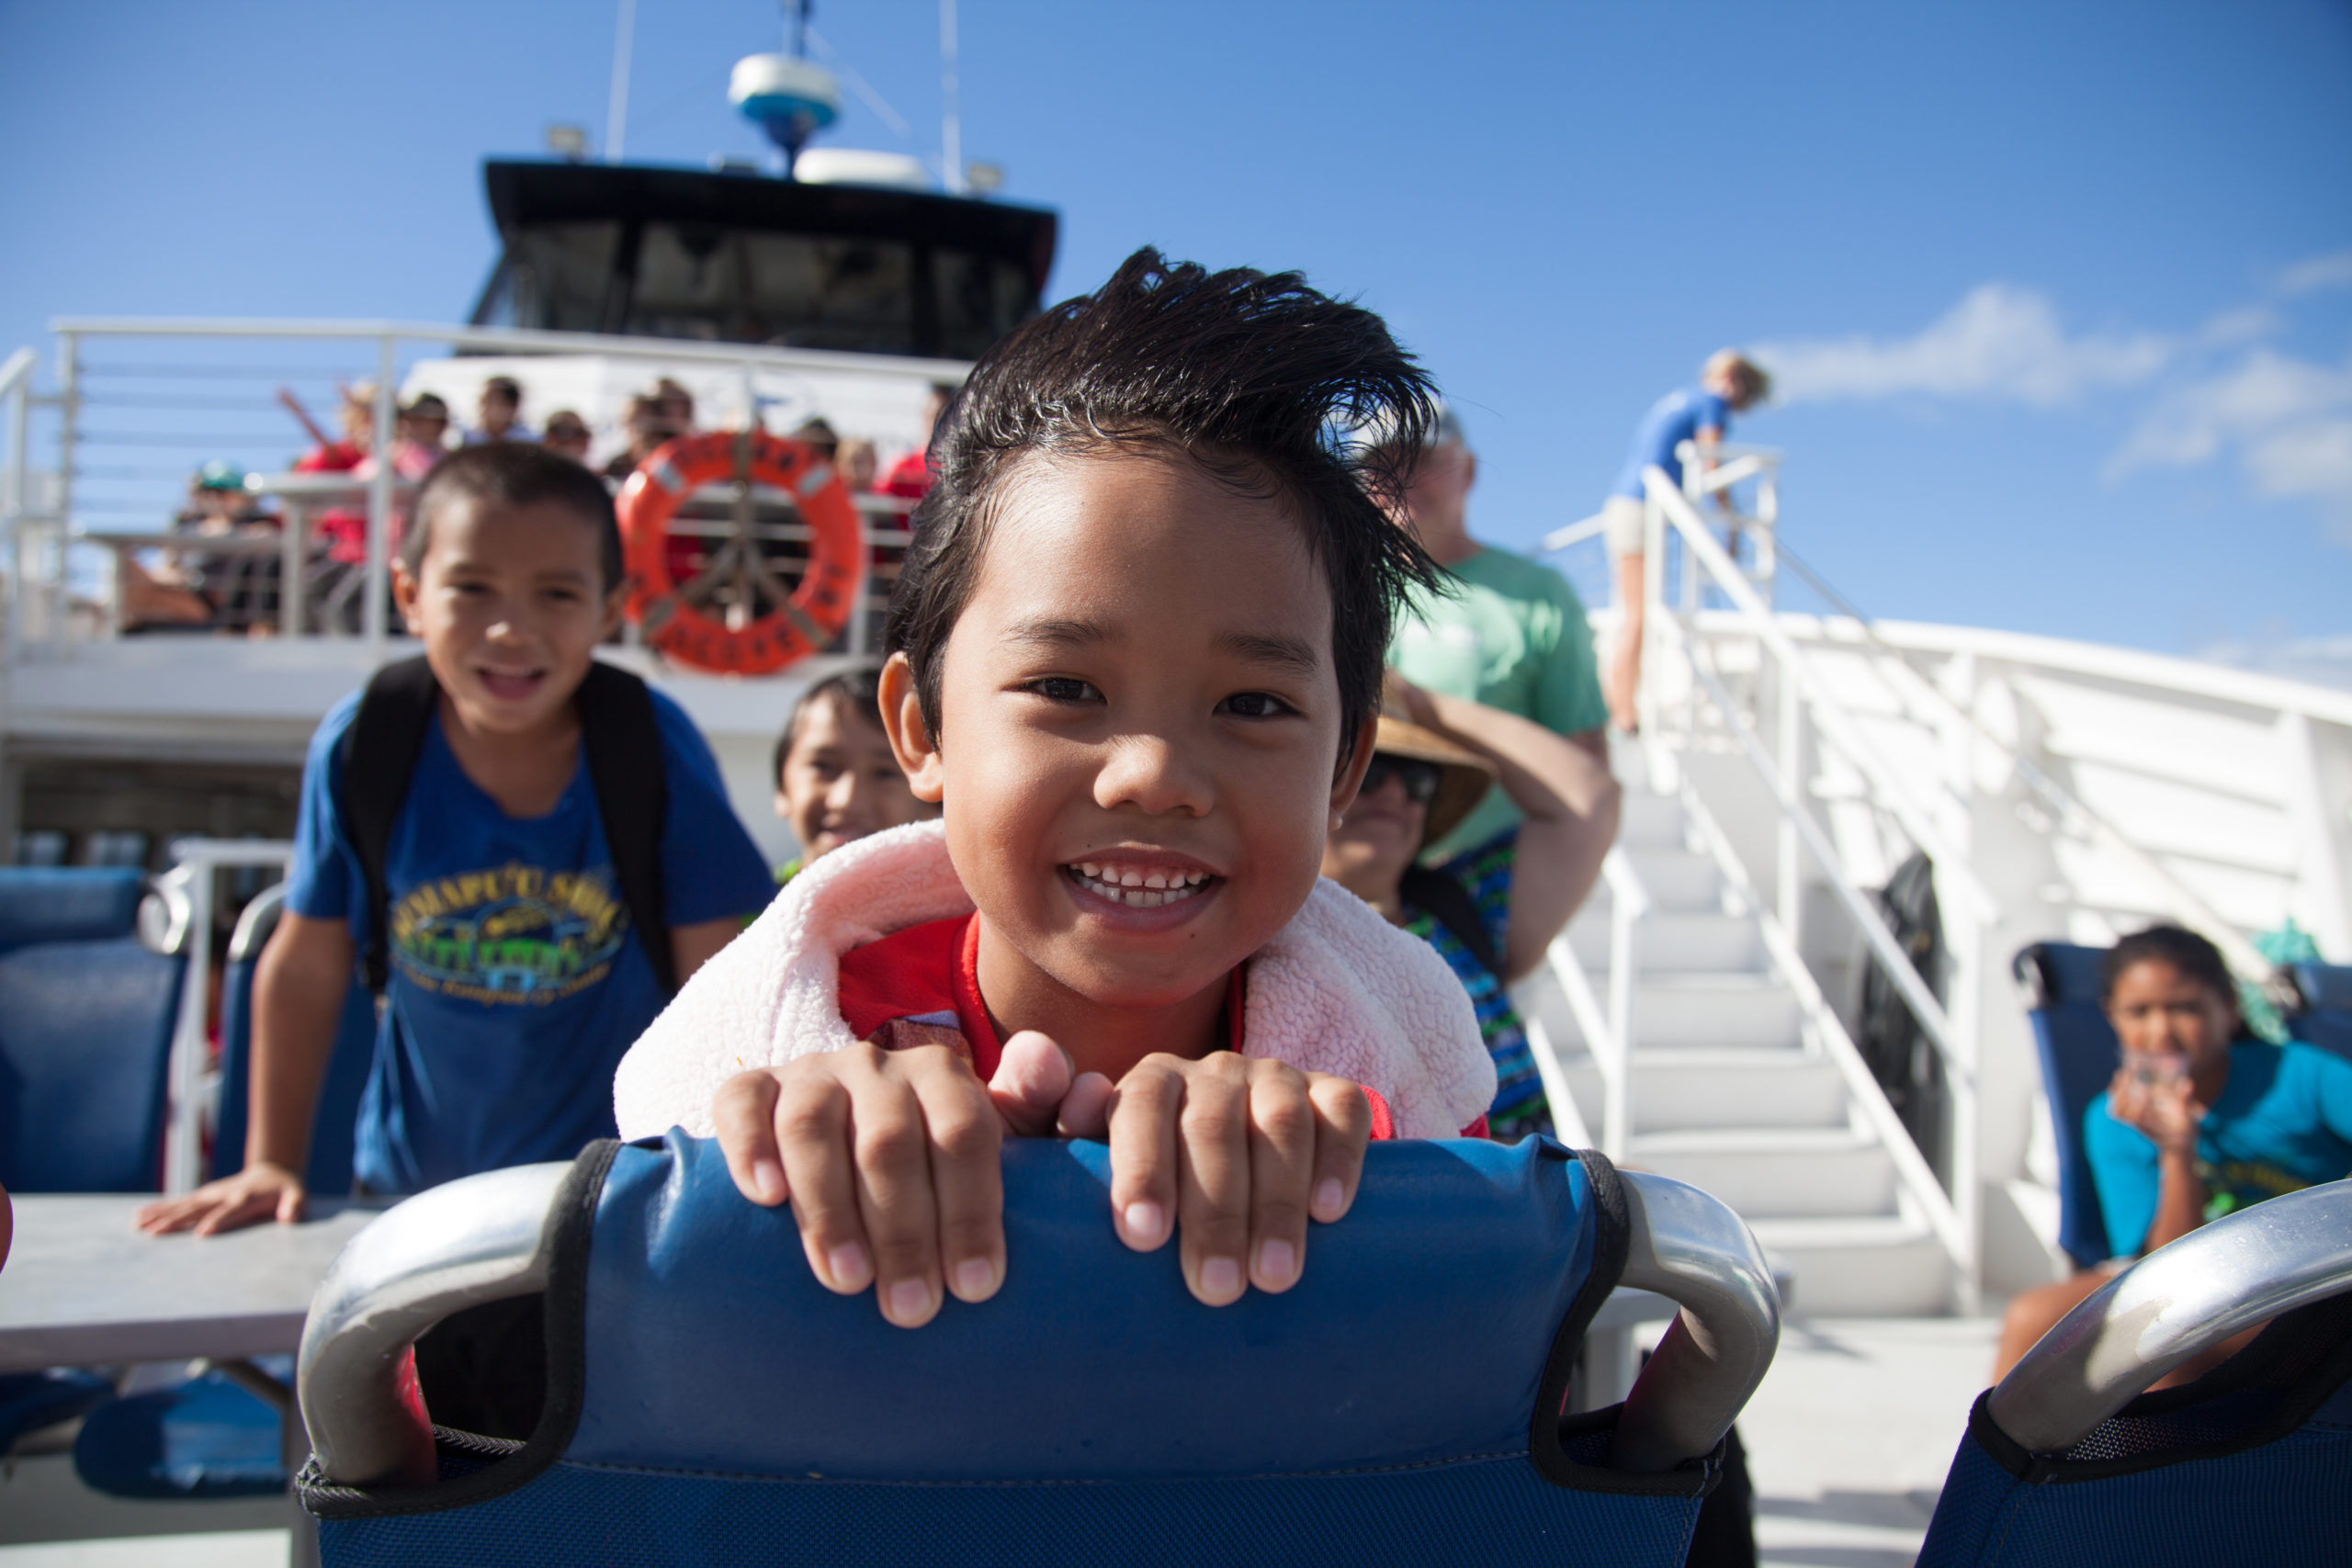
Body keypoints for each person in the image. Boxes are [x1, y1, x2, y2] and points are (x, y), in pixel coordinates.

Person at [614, 249, 1501, 1329]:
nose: (1155, 776)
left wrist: (1342, 1192)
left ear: (1342, 773)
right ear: (921, 728)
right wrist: (759, 1184)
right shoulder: (789, 1071)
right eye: (1065, 686)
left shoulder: (1394, 1137)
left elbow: (1487, 1395)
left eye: (1253, 705)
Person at [136, 442, 776, 1237]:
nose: (511, 629)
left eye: (556, 593)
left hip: (609, 1203)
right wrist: (273, 1159)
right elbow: (306, 961)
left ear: (610, 610)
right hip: (408, 1197)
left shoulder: (651, 748)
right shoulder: (367, 741)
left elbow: (709, 982)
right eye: (472, 588)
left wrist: (712, 1186)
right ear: (410, 594)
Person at [1991, 924, 2352, 1382]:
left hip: (2298, 1275)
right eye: (2139, 1012)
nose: (2161, 1031)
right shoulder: (2112, 1119)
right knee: (2030, 1316)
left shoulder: (2300, 1075)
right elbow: (2163, 1272)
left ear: (2230, 1008)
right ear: (2112, 1017)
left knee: (2163, 1353)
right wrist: (2175, 1151)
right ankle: (2003, 1455)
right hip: (2183, 1275)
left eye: (2184, 1009)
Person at [1321, 676, 1619, 1142]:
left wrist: (1421, 703)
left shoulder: (1463, 904)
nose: (1395, 795)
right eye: (1374, 769)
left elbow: (1591, 799)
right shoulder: (1259, 939)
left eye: (1419, 779)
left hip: (1530, 1208)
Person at [1374, 403, 1616, 864]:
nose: (1398, 478)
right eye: (1378, 464)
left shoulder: (1538, 595)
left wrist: (1419, 705)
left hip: (1470, 884)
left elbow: (1585, 770)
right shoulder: (1323, 584)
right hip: (1331, 879)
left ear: (1467, 470)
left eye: (1419, 460)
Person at [1600, 351, 1770, 734]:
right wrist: (1731, 521)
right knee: (1637, 615)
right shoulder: (1711, 402)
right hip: (1642, 508)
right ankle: (1623, 712)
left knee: (1632, 613)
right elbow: (1710, 462)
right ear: (1735, 381)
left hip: (1627, 505)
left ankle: (1621, 706)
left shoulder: (1679, 398)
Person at [772, 664, 933, 884]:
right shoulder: (741, 911)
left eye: (884, 773)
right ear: (781, 787)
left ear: (931, 795)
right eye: (824, 767)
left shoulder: (956, 914)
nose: (847, 801)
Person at [878, 382, 956, 499]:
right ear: (925, 418)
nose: (938, 423)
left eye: (944, 416)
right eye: (934, 416)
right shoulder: (904, 466)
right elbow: (879, 500)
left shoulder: (962, 465)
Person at [466, 376, 534, 445]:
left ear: (512, 406)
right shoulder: (466, 440)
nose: (483, 408)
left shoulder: (529, 441)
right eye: (482, 401)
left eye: (489, 402)